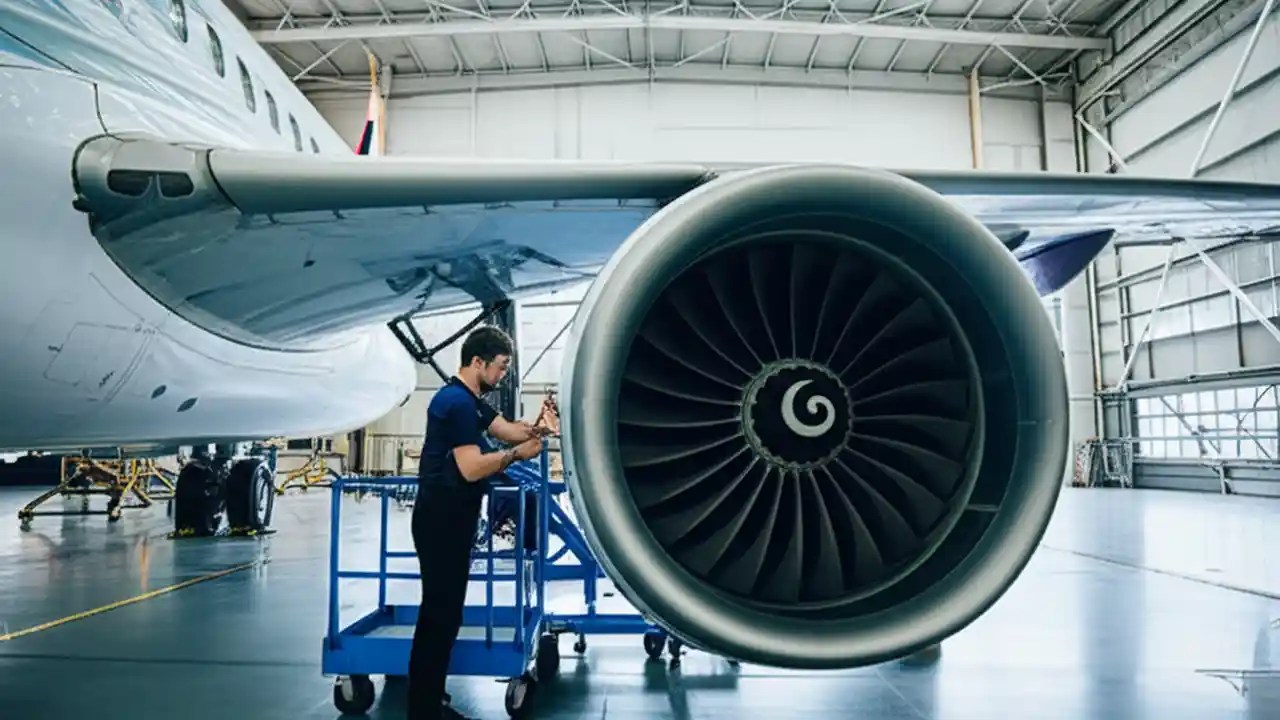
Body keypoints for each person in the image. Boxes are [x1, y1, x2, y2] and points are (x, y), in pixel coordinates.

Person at [407, 325, 555, 720]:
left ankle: (428, 702)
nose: (503, 375)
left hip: (453, 521)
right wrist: (517, 455)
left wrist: (540, 425)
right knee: (438, 616)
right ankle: (423, 710)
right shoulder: (455, 403)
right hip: (440, 522)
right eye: (501, 367)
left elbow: (508, 429)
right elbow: (471, 467)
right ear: (479, 362)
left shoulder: (471, 402)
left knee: (446, 613)